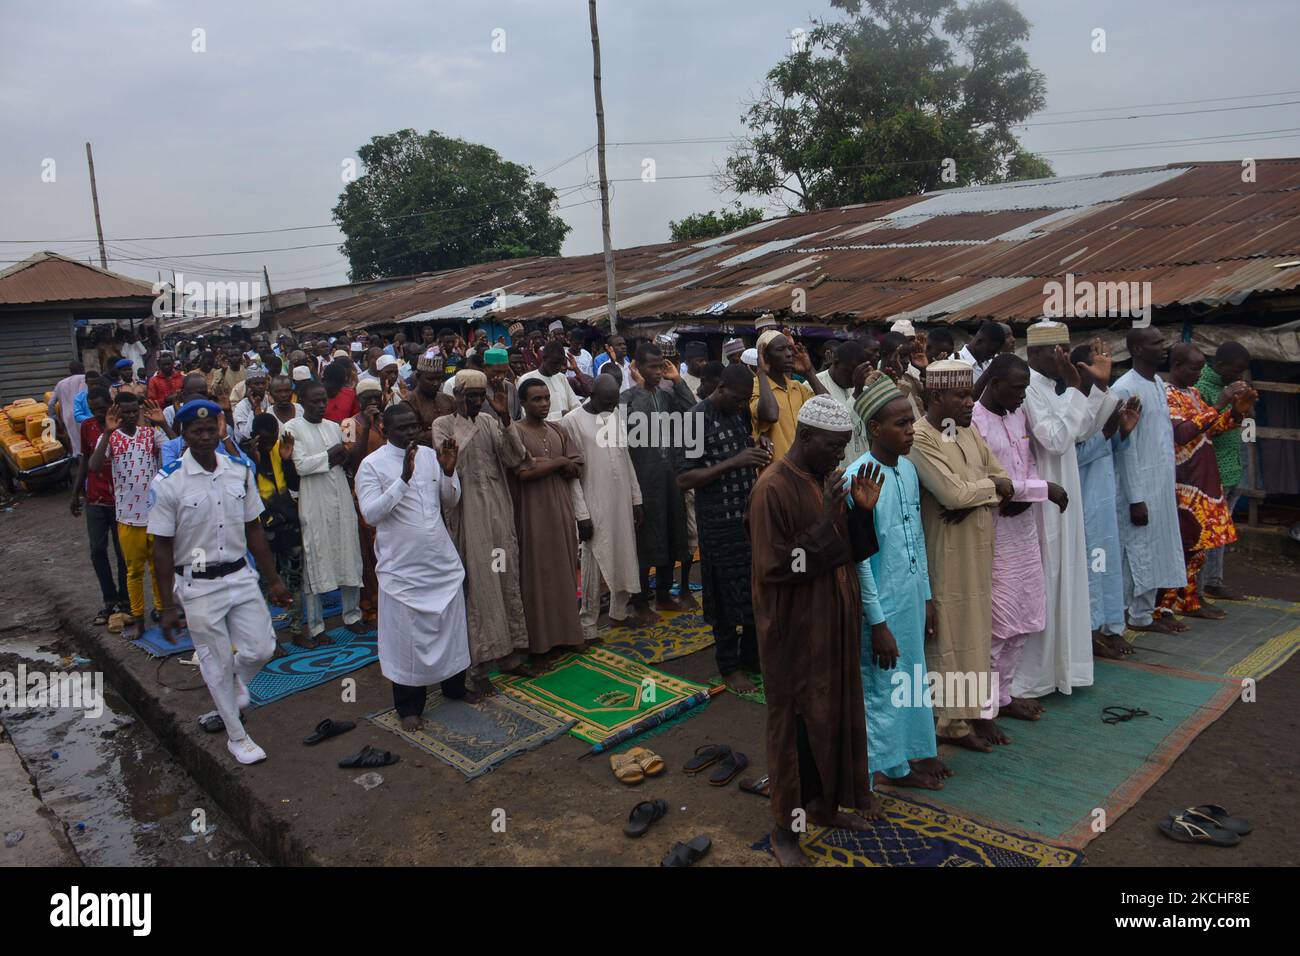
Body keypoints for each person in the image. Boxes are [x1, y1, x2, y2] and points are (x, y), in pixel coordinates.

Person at [747, 395, 882, 867]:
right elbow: (775, 566)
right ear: (804, 437)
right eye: (832, 446)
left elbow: (849, 551)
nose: (840, 457)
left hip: (835, 624)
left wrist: (861, 512)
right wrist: (827, 520)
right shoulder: (772, 488)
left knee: (836, 715)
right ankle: (786, 831)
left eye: (844, 447)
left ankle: (825, 807)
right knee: (796, 730)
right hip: (794, 632)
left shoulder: (828, 479)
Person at [151, 399, 291, 765]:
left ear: (220, 429)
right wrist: (166, 605)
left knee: (261, 648)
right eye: (196, 431)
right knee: (214, 664)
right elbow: (162, 548)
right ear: (183, 433)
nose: (204, 437)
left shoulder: (239, 470)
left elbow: (254, 528)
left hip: (240, 575)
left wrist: (274, 581)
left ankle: (235, 683)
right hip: (197, 585)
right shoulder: (168, 482)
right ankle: (237, 736)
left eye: (210, 429)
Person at [908, 360, 1014, 752]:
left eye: (970, 395)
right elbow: (952, 495)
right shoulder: (920, 439)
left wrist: (978, 491)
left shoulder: (968, 432)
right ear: (937, 397)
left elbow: (1004, 479)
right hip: (945, 554)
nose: (972, 403)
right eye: (963, 396)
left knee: (975, 635)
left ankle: (973, 712)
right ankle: (949, 723)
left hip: (979, 549)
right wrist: (987, 490)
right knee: (948, 639)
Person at [849, 376, 946, 790]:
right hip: (881, 605)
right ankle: (869, 779)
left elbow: (916, 539)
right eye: (901, 424)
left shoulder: (906, 469)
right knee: (879, 691)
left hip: (909, 598)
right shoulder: (858, 477)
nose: (910, 431)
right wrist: (878, 621)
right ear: (874, 428)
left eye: (911, 422)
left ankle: (901, 765)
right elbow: (861, 559)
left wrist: (926, 597)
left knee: (909, 682)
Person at [356, 404, 477, 730]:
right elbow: (371, 515)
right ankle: (409, 706)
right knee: (407, 640)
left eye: (414, 426)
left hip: (439, 561)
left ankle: (454, 688)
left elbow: (449, 501)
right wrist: (403, 480)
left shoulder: (428, 455)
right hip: (403, 570)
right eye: (402, 428)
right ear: (384, 427)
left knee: (450, 631)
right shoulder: (372, 465)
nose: (411, 432)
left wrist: (449, 472)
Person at [1014, 324, 1118, 699]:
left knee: (1067, 574)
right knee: (1046, 579)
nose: (1063, 357)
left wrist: (1097, 386)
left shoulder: (1053, 388)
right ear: (1036, 355)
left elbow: (1080, 429)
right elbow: (1054, 440)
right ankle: (1033, 677)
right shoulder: (1024, 388)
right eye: (1056, 351)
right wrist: (1075, 386)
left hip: (1065, 494)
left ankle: (1065, 669)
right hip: (1042, 496)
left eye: (1065, 349)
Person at [971, 353, 1069, 719]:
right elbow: (980, 477)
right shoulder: (973, 423)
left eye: (1026, 389)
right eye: (1016, 389)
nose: (1022, 396)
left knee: (1024, 616)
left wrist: (1029, 493)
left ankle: (1005, 695)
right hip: (993, 532)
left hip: (1023, 529)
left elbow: (1027, 465)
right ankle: (983, 709)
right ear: (994, 384)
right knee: (998, 622)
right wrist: (1038, 490)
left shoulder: (1018, 415)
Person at [431, 369, 531, 681]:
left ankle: (509, 652)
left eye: (479, 395)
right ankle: (481, 660)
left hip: (498, 508)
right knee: (479, 581)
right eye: (469, 396)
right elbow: (447, 462)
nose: (475, 401)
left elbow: (516, 459)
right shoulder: (442, 424)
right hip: (468, 512)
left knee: (504, 575)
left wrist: (504, 421)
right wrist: (467, 419)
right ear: (456, 396)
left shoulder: (490, 421)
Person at [677, 364, 769, 692]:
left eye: (747, 401)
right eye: (739, 399)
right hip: (717, 524)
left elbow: (745, 447)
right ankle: (729, 666)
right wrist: (735, 461)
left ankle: (752, 657)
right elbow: (684, 478)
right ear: (721, 388)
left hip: (747, 519)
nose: (743, 406)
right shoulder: (693, 420)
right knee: (724, 601)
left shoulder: (738, 412)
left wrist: (758, 453)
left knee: (757, 592)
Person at [1160, 343, 1256, 619]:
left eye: (1202, 368)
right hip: (1182, 479)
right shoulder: (1168, 396)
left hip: (1201, 480)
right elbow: (1183, 433)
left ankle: (1190, 601)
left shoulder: (1192, 393)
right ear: (1176, 367)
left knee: (1198, 546)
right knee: (1182, 545)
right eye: (1195, 368)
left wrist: (1237, 412)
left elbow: (1212, 427)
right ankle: (1165, 606)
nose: (1199, 374)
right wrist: (1220, 403)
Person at [1110, 327, 1189, 634]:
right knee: (1135, 553)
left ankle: (1144, 612)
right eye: (1156, 344)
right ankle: (1128, 616)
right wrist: (1135, 498)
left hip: (1160, 483)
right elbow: (1125, 448)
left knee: (1153, 550)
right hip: (1138, 486)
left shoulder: (1156, 382)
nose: (1164, 348)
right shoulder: (1125, 388)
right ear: (1137, 349)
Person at [561, 374, 647, 638]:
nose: (611, 407)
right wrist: (581, 514)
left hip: (621, 501)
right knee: (592, 561)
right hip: (593, 500)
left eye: (614, 402)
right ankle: (587, 625)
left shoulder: (614, 415)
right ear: (593, 396)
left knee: (624, 554)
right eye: (608, 402)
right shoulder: (572, 421)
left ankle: (619, 613)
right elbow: (572, 475)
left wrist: (636, 499)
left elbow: (625, 458)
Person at [1071, 343, 1143, 658]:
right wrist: (1109, 430)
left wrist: (1121, 433)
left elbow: (1109, 452)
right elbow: (1073, 456)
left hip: (1103, 501)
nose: (1104, 370)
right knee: (1089, 568)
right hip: (1083, 501)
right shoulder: (1071, 404)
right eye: (1095, 364)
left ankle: (1109, 627)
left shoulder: (1107, 399)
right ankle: (1088, 633)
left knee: (1106, 566)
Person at [283, 381, 366, 642]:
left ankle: (352, 615)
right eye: (314, 402)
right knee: (315, 557)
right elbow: (301, 466)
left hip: (340, 496)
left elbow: (348, 460)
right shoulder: (292, 428)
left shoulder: (335, 427)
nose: (320, 406)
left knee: (348, 553)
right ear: (303, 403)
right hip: (314, 501)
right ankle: (317, 626)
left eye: (323, 401)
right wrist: (331, 454)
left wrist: (339, 455)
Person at [510, 378, 585, 662]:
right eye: (536, 400)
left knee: (565, 570)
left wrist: (551, 464)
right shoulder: (515, 432)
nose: (543, 404)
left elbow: (577, 465)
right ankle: (540, 643)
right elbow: (523, 471)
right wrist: (557, 463)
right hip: (532, 515)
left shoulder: (557, 429)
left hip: (561, 510)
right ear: (523, 403)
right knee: (537, 576)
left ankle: (569, 634)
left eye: (545, 398)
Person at [86, 390, 170, 638]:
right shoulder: (110, 437)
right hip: (127, 516)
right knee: (133, 570)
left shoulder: (150, 434)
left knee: (158, 567)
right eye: (127, 412)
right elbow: (93, 465)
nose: (132, 416)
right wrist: (109, 433)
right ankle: (138, 618)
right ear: (117, 413)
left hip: (154, 514)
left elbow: (179, 447)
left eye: (136, 411)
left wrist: (163, 422)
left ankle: (162, 610)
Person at [623, 343, 698, 615]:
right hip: (644, 480)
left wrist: (677, 380)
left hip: (671, 478)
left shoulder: (668, 396)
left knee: (671, 534)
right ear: (637, 368)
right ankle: (641, 600)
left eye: (660, 366)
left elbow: (693, 412)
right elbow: (628, 431)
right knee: (646, 540)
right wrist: (641, 388)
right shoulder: (628, 398)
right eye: (651, 367)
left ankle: (665, 594)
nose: (657, 372)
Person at [1195, 342, 1253, 601]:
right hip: (1212, 469)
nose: (1239, 377)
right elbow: (1200, 429)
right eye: (1236, 371)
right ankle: (1198, 587)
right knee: (1207, 530)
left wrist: (1242, 408)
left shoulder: (1233, 388)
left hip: (1233, 466)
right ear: (1219, 366)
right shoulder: (1202, 388)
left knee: (1222, 530)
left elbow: (1237, 423)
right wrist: (1225, 400)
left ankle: (1214, 581)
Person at [245, 412, 307, 649]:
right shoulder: (244, 454)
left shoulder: (281, 450)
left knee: (294, 580)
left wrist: (287, 459)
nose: (269, 443)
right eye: (264, 439)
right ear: (254, 436)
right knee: (262, 586)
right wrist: (254, 459)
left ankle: (296, 630)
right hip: (262, 530)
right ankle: (268, 639)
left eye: (272, 439)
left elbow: (293, 484)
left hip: (288, 525)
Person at [71, 386, 130, 625]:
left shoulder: (124, 424)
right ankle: (109, 600)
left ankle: (126, 601)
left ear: (110, 403)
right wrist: (76, 493)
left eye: (101, 408)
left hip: (120, 498)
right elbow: (85, 460)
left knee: (122, 553)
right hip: (95, 497)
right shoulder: (87, 427)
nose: (97, 412)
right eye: (93, 409)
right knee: (97, 551)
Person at [752, 331, 828, 462]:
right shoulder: (756, 387)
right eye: (780, 350)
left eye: (789, 349)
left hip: (803, 469)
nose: (788, 354)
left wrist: (809, 372)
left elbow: (829, 408)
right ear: (765, 356)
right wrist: (762, 373)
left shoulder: (797, 387)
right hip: (776, 473)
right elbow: (770, 415)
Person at [815, 339, 874, 466]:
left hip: (863, 471)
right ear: (835, 362)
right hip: (837, 474)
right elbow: (838, 425)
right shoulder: (813, 386)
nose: (854, 379)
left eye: (858, 374)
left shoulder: (863, 387)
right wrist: (857, 391)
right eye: (850, 372)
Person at [517, 341, 582, 421]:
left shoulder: (561, 378)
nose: (559, 367)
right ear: (544, 358)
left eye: (561, 364)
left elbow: (576, 406)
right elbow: (525, 416)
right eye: (555, 363)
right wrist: (559, 415)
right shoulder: (526, 380)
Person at [231, 368, 271, 443]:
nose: (261, 386)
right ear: (248, 385)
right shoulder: (240, 407)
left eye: (263, 383)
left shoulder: (270, 400)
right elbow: (247, 435)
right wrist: (255, 408)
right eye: (257, 384)